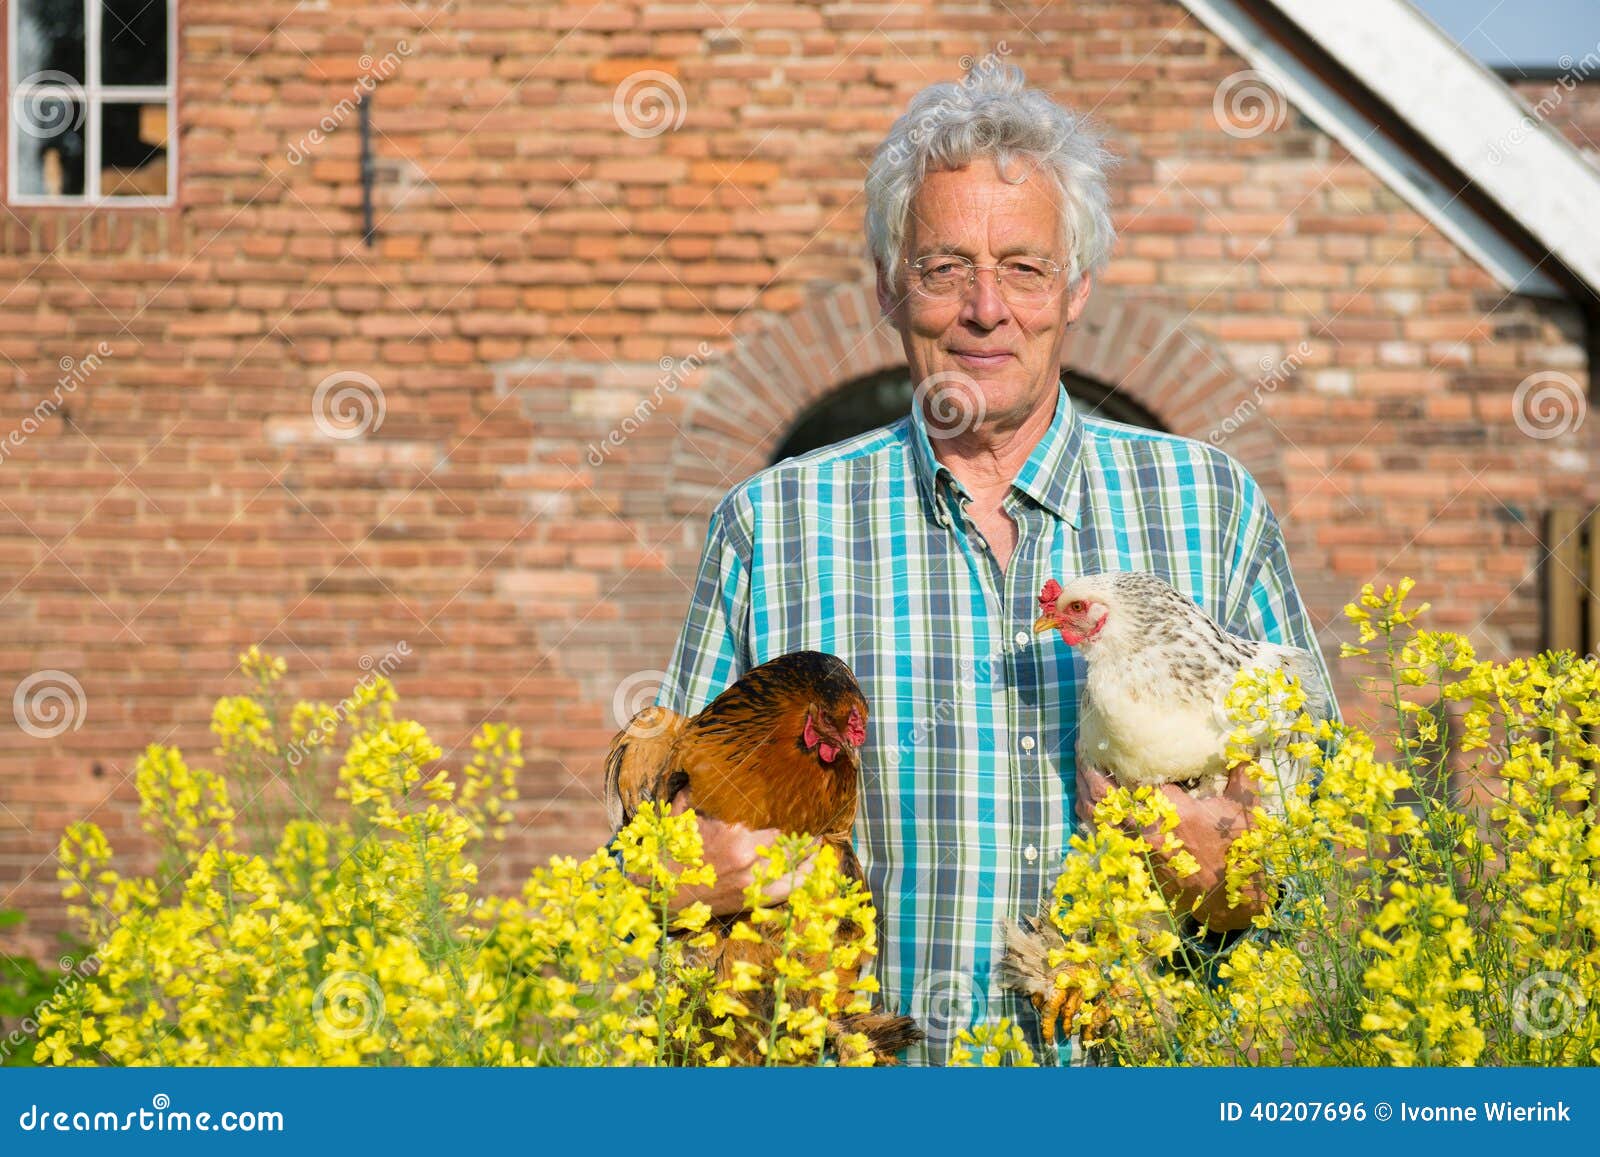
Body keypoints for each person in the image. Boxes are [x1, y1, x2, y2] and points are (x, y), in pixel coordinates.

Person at [650, 65, 1337, 1064]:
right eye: (942, 267)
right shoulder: (773, 522)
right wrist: (695, 870)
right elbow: (665, 851)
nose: (985, 308)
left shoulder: (1210, 504)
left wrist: (1229, 865)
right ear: (888, 287)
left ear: (1076, 288)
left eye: (1023, 266)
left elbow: (1322, 838)